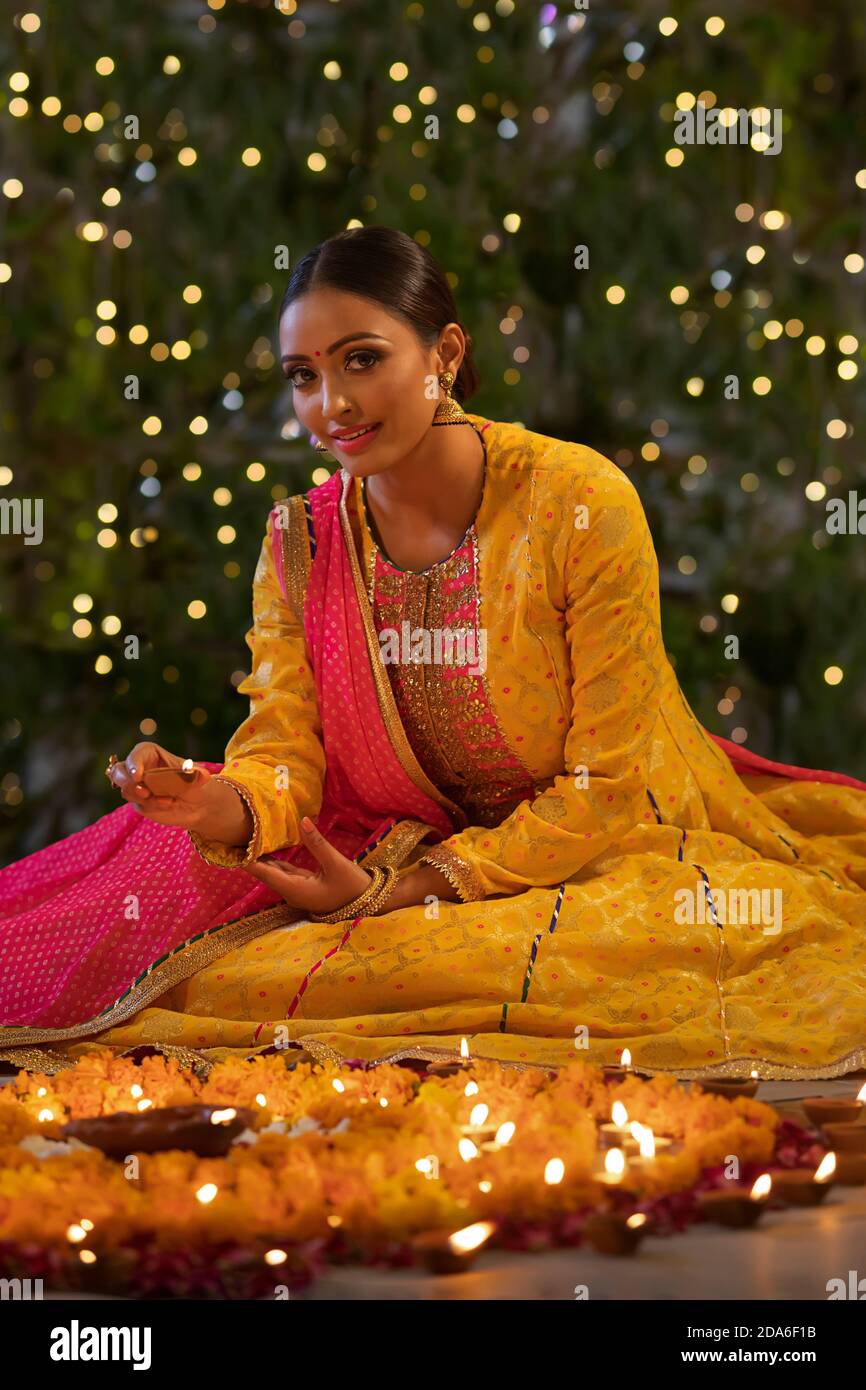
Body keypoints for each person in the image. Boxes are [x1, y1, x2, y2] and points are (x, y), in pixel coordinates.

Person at [1, 225, 865, 1081]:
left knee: (640, 972)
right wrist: (210, 804)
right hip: (392, 851)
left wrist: (403, 894)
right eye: (304, 377)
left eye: (362, 360)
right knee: (202, 972)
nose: (330, 404)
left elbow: (610, 787)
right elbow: (283, 756)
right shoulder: (299, 541)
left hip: (614, 846)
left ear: (444, 352)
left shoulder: (579, 502)